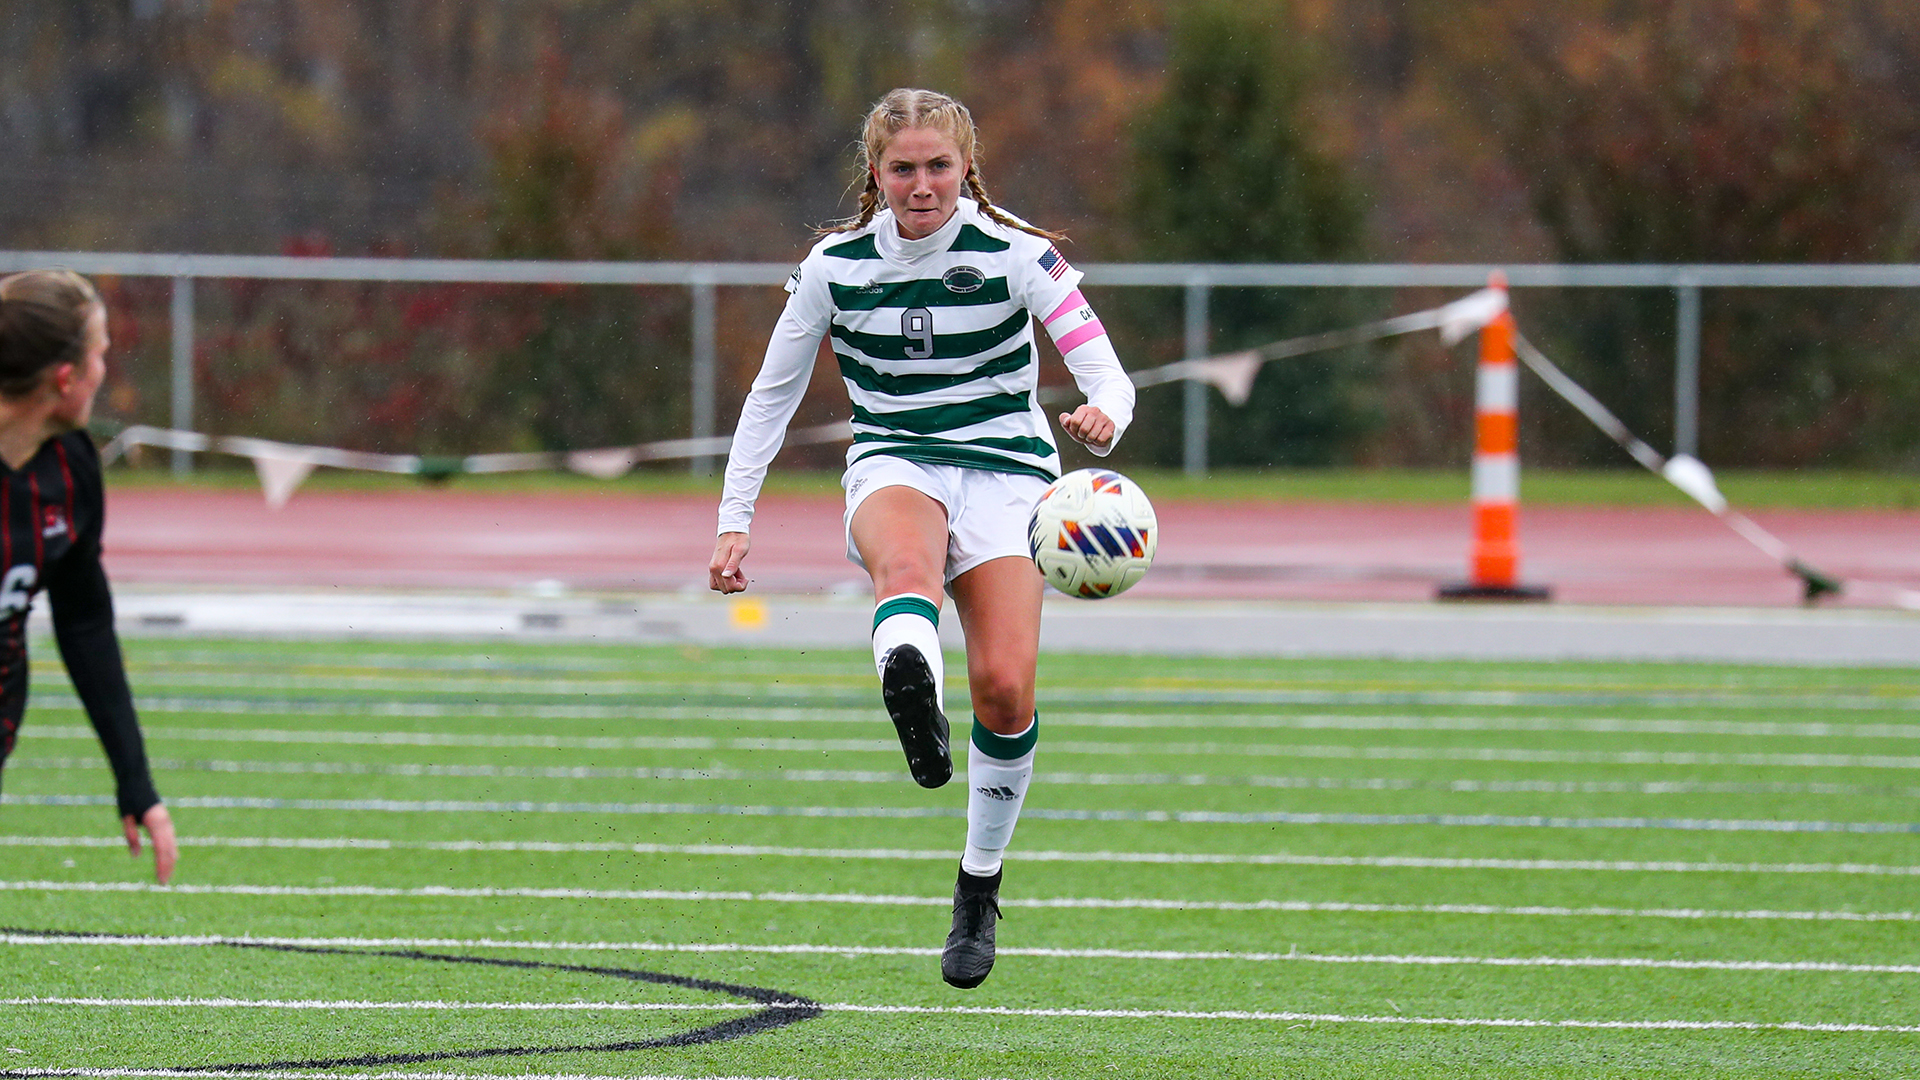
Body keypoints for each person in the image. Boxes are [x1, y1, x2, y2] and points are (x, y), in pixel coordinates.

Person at [709, 88, 1133, 989]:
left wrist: (1103, 415)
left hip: (1011, 474)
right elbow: (770, 396)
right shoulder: (833, 267)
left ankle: (978, 885)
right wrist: (732, 520)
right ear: (877, 174)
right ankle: (913, 692)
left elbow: (1105, 372)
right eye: (903, 168)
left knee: (1008, 691)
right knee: (906, 565)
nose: (922, 184)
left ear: (965, 167)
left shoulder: (1022, 257)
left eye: (938, 166)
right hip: (896, 461)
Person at [0, 269, 175, 885]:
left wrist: (133, 775)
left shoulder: (71, 468)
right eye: (100, 353)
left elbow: (85, 620)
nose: (107, 369)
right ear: (65, 377)